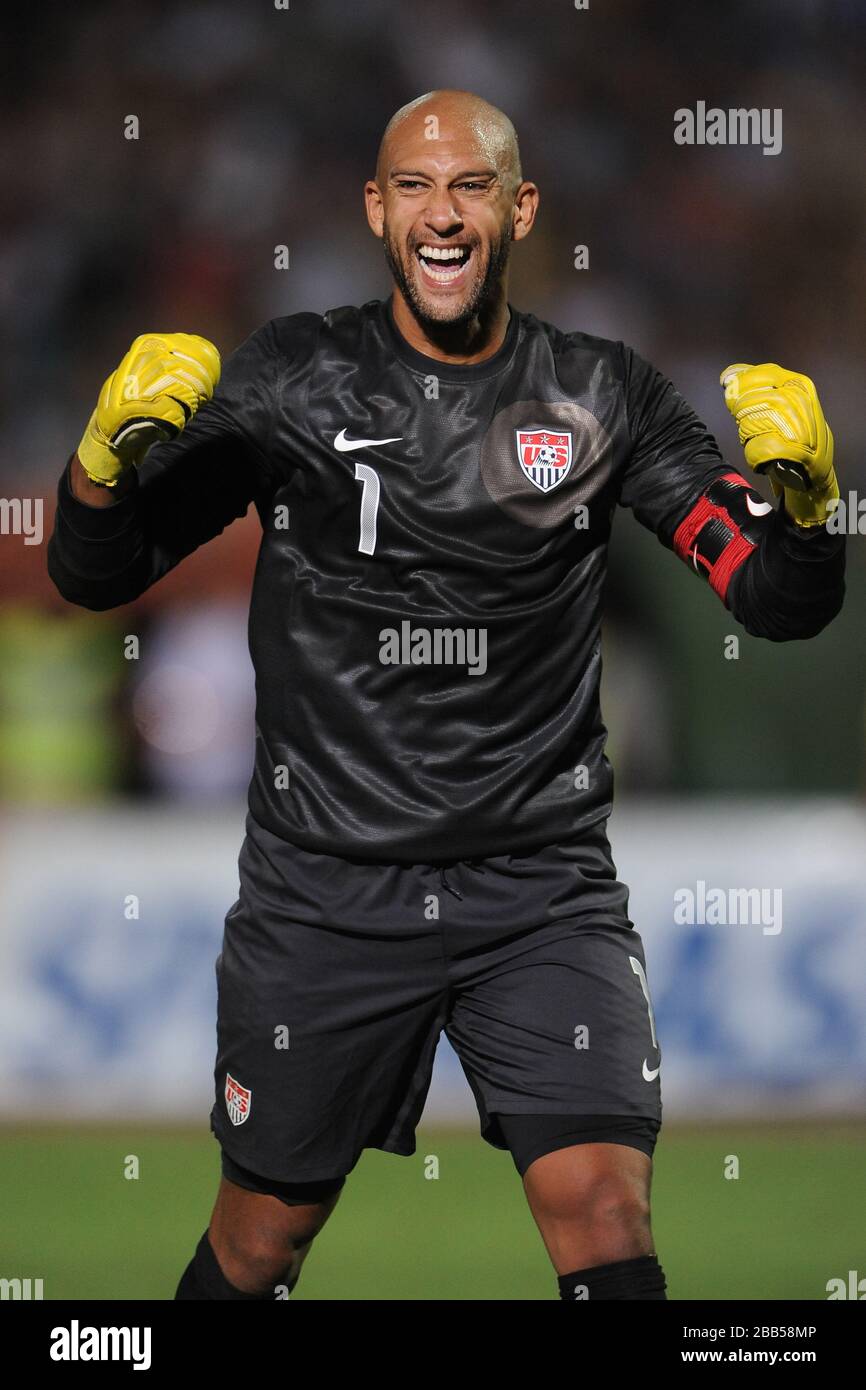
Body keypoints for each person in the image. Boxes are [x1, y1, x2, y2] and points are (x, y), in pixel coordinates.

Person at [47, 89, 845, 1301]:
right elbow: (93, 573)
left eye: (470, 185)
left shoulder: (601, 394)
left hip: (538, 890)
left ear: (519, 208)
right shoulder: (290, 378)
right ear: (375, 208)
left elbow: (776, 598)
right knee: (260, 1241)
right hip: (327, 887)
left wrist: (808, 510)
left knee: (604, 1214)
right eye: (413, 186)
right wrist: (102, 463)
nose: (442, 212)